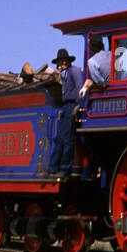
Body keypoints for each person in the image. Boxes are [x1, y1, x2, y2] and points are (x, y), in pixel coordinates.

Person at [46, 48, 84, 176]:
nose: (63, 63)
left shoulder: (74, 71)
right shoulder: (65, 73)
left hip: (72, 104)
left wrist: (78, 105)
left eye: (64, 61)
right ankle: (52, 168)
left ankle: (64, 169)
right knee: (59, 138)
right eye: (61, 61)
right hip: (65, 106)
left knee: (67, 139)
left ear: (68, 61)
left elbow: (80, 88)